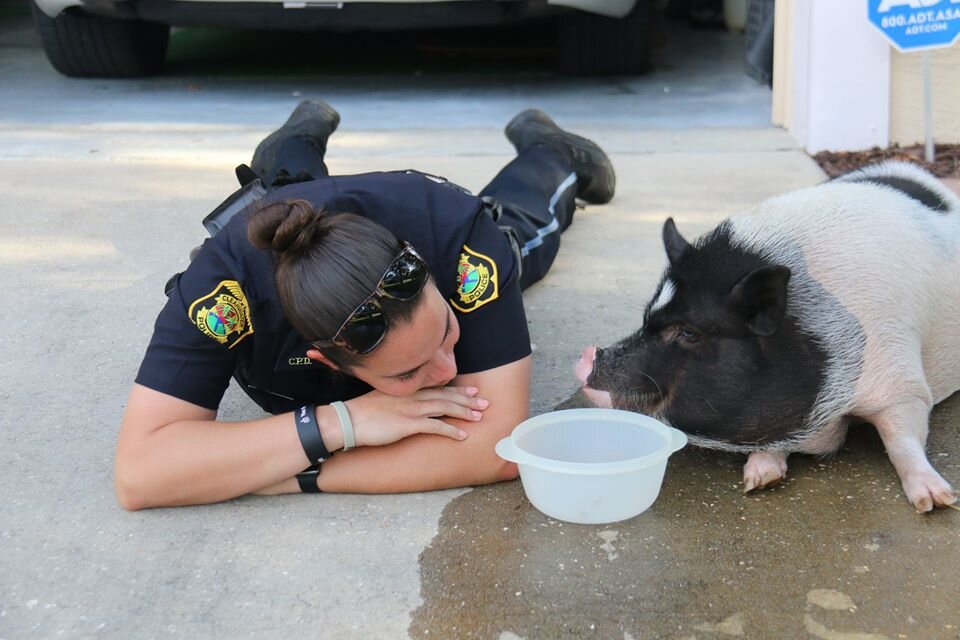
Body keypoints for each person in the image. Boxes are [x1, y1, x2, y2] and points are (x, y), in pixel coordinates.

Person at [115, 100, 615, 510]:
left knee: (521, 238)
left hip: (402, 214)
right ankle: (291, 146)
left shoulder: (454, 240)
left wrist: (295, 472)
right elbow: (142, 473)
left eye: (445, 331)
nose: (446, 372)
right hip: (286, 227)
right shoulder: (225, 291)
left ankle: (552, 152)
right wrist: (339, 424)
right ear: (327, 360)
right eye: (408, 372)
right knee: (283, 197)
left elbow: (498, 451)